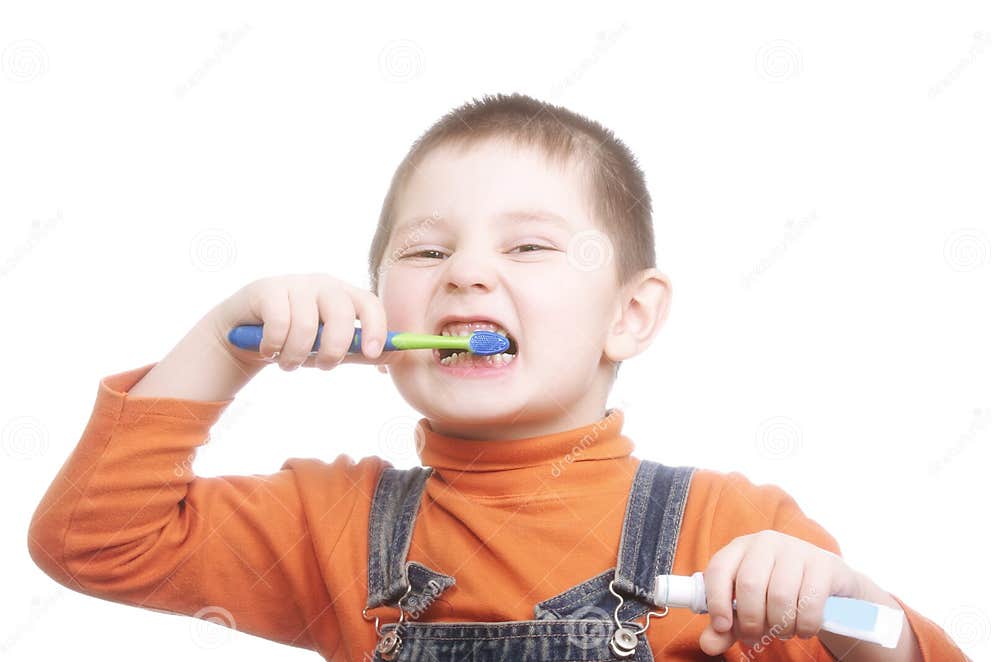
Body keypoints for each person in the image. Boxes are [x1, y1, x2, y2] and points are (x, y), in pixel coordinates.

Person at [27, 93, 968, 660]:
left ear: (629, 316)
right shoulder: (333, 527)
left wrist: (845, 604)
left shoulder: (732, 529)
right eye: (427, 249)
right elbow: (94, 541)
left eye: (528, 245)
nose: (467, 273)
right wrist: (224, 344)